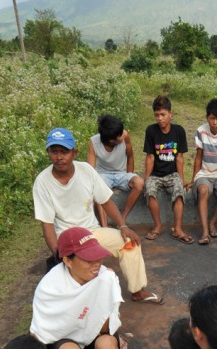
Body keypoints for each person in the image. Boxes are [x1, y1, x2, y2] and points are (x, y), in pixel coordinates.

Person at [33, 126, 162, 304]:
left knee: (129, 243)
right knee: (85, 282)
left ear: (75, 152)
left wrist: (123, 226)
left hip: (92, 233)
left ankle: (138, 290)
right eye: (54, 151)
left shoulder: (86, 170)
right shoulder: (42, 181)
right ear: (48, 153)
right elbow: (47, 225)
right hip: (67, 239)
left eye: (64, 151)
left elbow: (106, 201)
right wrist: (58, 255)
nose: (59, 156)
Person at [30, 228, 130, 349]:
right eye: (88, 259)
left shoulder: (104, 277)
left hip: (93, 331)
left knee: (107, 346)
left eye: (98, 257)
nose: (96, 264)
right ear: (67, 260)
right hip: (63, 337)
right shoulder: (50, 288)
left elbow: (108, 326)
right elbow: (44, 331)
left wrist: (101, 294)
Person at [187, 97, 217, 244]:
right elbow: (198, 157)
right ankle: (204, 232)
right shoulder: (201, 131)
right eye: (212, 118)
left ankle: (212, 222)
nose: (215, 123)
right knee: (202, 190)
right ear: (207, 117)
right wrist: (193, 179)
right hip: (204, 173)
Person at [143, 95, 189, 242]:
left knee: (179, 192)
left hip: (172, 173)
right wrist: (146, 178)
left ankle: (178, 229)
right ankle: (157, 226)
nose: (160, 118)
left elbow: (179, 157)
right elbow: (150, 157)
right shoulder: (151, 131)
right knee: (149, 190)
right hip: (156, 174)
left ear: (170, 114)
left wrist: (181, 178)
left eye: (163, 115)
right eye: (157, 115)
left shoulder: (179, 131)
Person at [87, 114, 145, 225]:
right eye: (119, 135)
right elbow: (90, 169)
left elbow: (130, 156)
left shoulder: (125, 135)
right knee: (97, 189)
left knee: (139, 183)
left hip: (121, 174)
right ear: (111, 140)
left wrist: (130, 175)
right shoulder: (93, 142)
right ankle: (104, 226)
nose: (122, 135)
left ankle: (122, 218)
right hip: (103, 174)